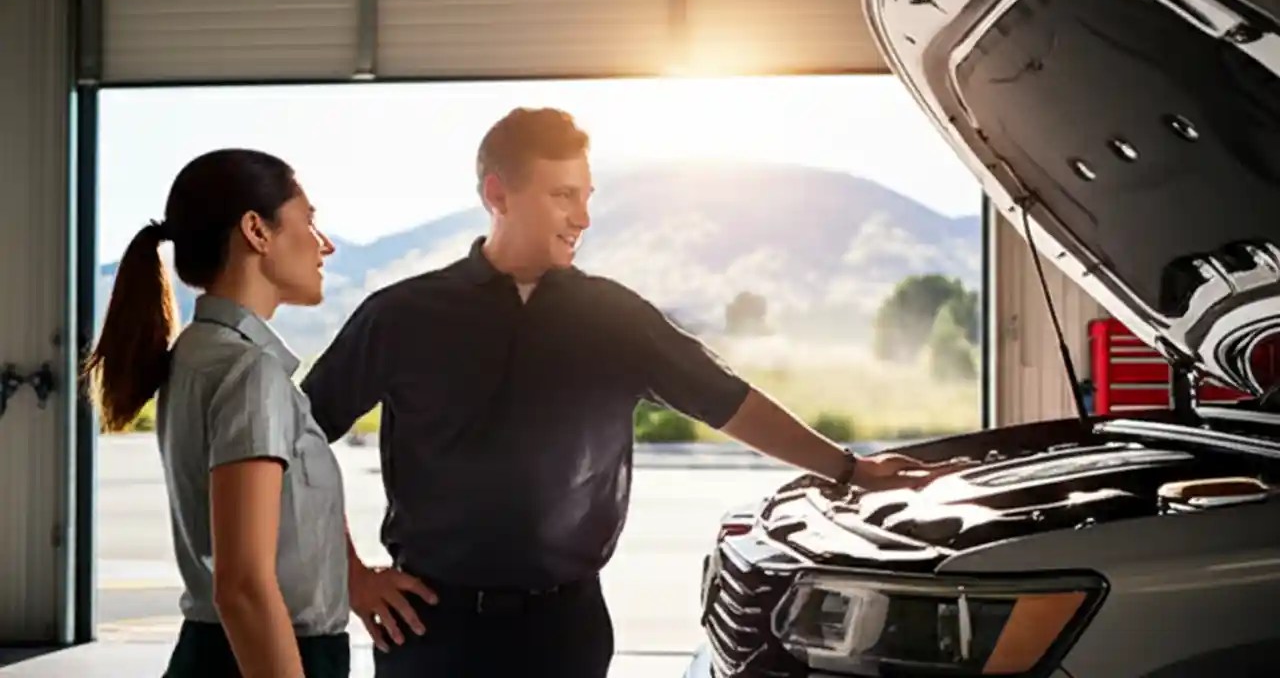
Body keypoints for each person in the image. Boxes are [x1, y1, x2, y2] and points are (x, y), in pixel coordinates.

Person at [300, 108, 943, 677]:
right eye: (562, 195)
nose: (582, 217)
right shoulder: (401, 316)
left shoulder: (616, 318)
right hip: (430, 633)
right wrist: (351, 576)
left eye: (586, 196)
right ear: (498, 194)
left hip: (565, 632)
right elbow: (297, 442)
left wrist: (850, 469)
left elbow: (729, 401)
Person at [84, 148, 351, 678]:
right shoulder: (249, 371)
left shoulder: (196, 353)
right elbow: (244, 586)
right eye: (309, 220)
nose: (325, 244)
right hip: (265, 656)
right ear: (256, 230)